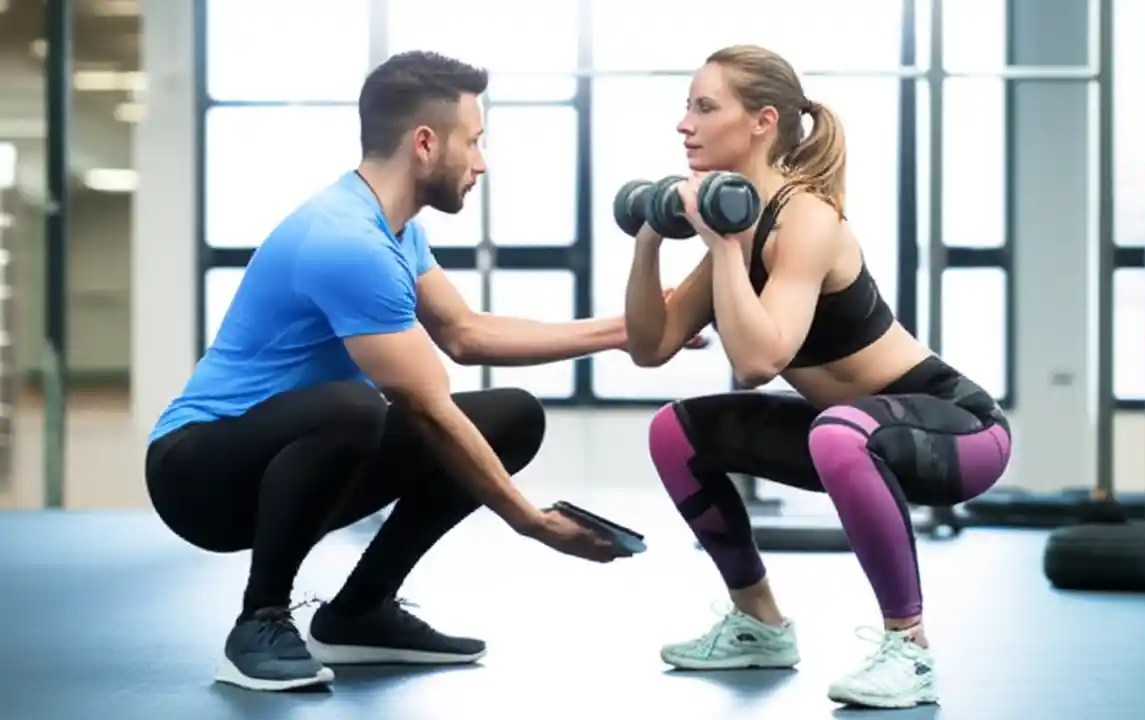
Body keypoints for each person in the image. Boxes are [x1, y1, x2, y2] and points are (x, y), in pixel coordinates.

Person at [145, 50, 643, 693]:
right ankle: (258, 622)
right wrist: (531, 521)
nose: (483, 163)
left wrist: (624, 333)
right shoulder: (346, 240)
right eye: (476, 140)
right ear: (426, 144)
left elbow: (464, 335)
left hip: (294, 462)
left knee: (511, 416)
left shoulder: (394, 228)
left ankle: (359, 613)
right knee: (358, 408)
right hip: (197, 474)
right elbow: (427, 406)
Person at [622, 45, 1012, 710]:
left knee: (838, 432)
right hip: (855, 431)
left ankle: (908, 650)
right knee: (674, 432)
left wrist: (721, 247)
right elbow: (649, 346)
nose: (684, 124)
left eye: (704, 107)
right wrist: (649, 239)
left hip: (960, 430)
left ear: (761, 122)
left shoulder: (807, 217)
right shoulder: (736, 234)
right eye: (688, 106)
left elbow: (757, 361)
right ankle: (759, 623)